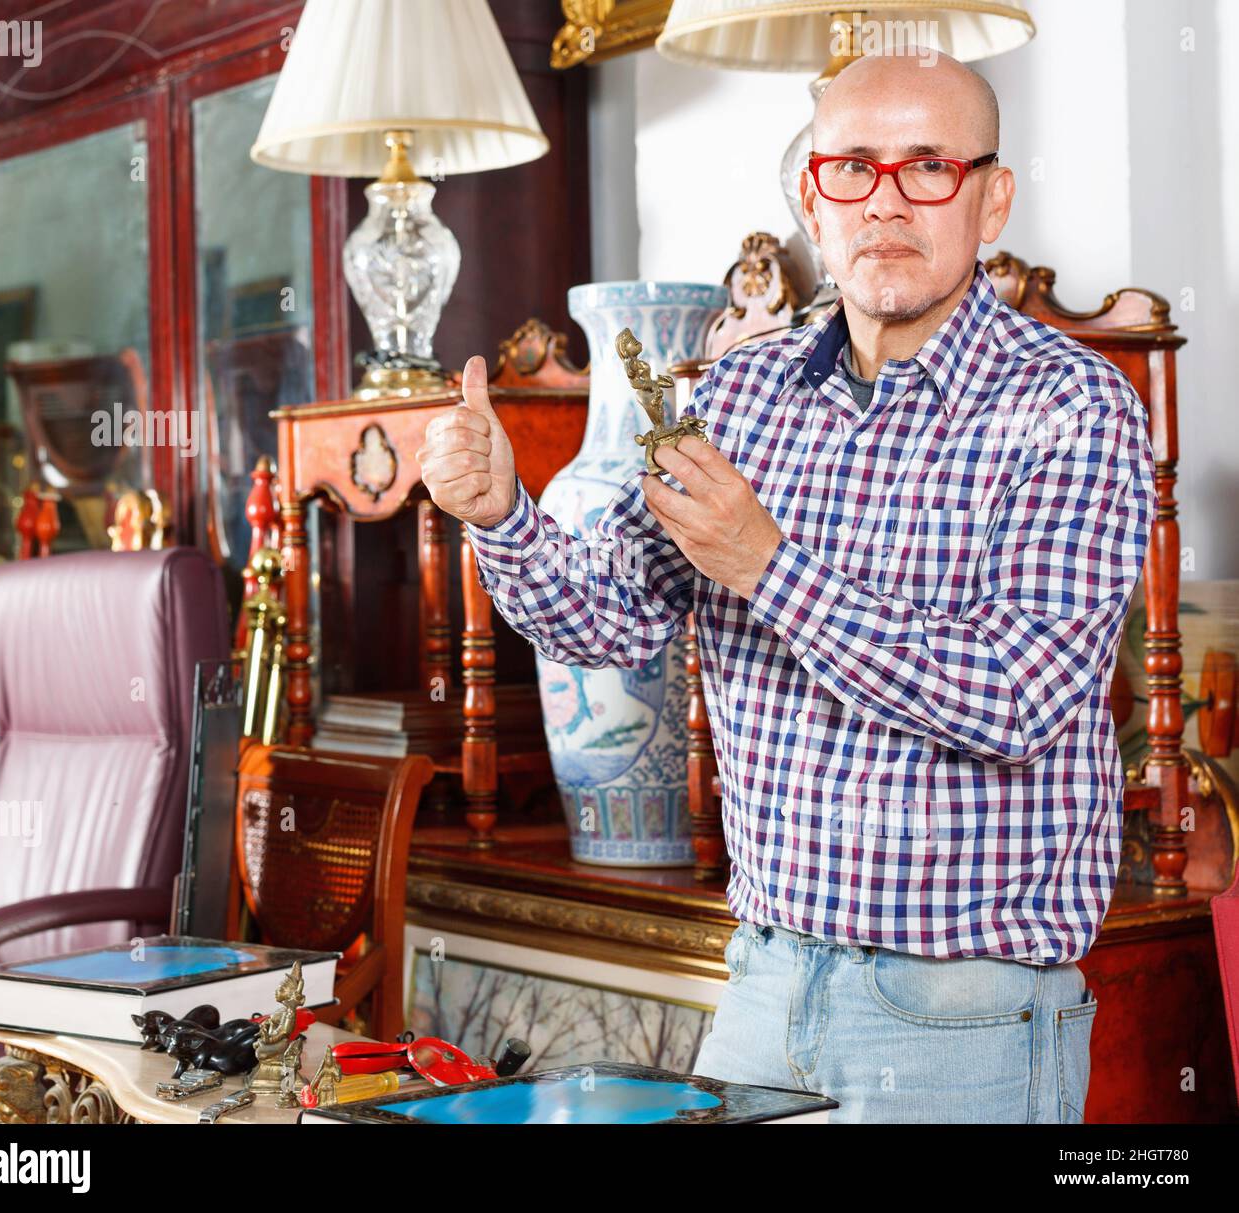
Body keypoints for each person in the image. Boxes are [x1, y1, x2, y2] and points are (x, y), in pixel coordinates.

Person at [416, 48, 1157, 1124]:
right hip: (763, 988)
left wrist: (768, 565)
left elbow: (1020, 697)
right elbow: (605, 619)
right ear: (812, 196)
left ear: (991, 197)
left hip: (964, 1015)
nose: (887, 201)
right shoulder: (743, 394)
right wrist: (501, 515)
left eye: (928, 167)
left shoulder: (1072, 407)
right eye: (852, 167)